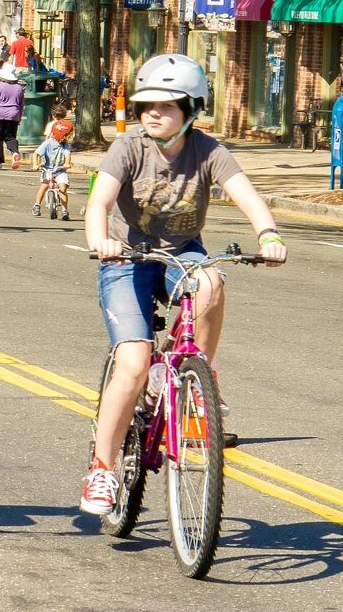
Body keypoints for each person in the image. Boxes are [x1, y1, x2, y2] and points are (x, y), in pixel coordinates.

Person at [79, 54, 287, 517]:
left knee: (211, 282)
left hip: (181, 251)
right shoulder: (129, 149)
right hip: (126, 257)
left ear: (192, 109)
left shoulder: (209, 151)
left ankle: (197, 375)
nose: (153, 113)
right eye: (146, 105)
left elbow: (247, 195)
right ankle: (102, 467)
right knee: (132, 364)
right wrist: (100, 240)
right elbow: (101, 201)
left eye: (167, 105)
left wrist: (268, 234)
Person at [0, 65, 26, 168]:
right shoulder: (19, 88)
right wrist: (19, 117)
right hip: (14, 115)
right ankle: (14, 152)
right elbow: (21, 104)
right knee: (11, 137)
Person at [34, 118, 73, 216]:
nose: (68, 137)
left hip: (60, 170)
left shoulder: (65, 145)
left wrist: (67, 164)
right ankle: (37, 205)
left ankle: (64, 210)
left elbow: (67, 155)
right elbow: (36, 153)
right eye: (67, 135)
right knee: (44, 185)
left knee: (63, 188)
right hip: (47, 169)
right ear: (62, 134)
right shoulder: (48, 143)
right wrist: (35, 164)